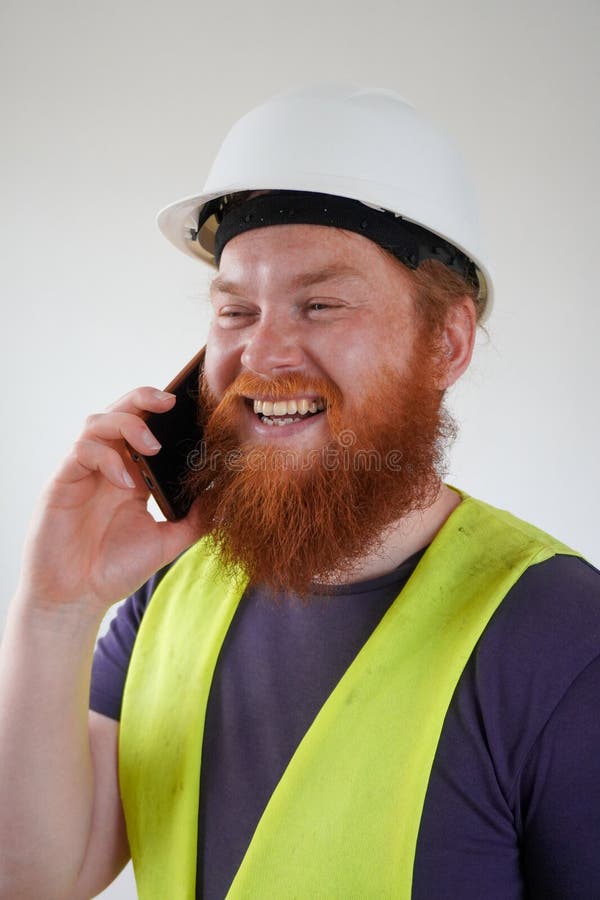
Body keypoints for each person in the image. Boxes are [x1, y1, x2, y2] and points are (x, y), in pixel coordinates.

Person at [1, 85, 599, 900]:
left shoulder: (562, 636)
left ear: (446, 343)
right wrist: (57, 608)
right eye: (236, 309)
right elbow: (39, 879)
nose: (263, 353)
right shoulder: (167, 592)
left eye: (320, 305)